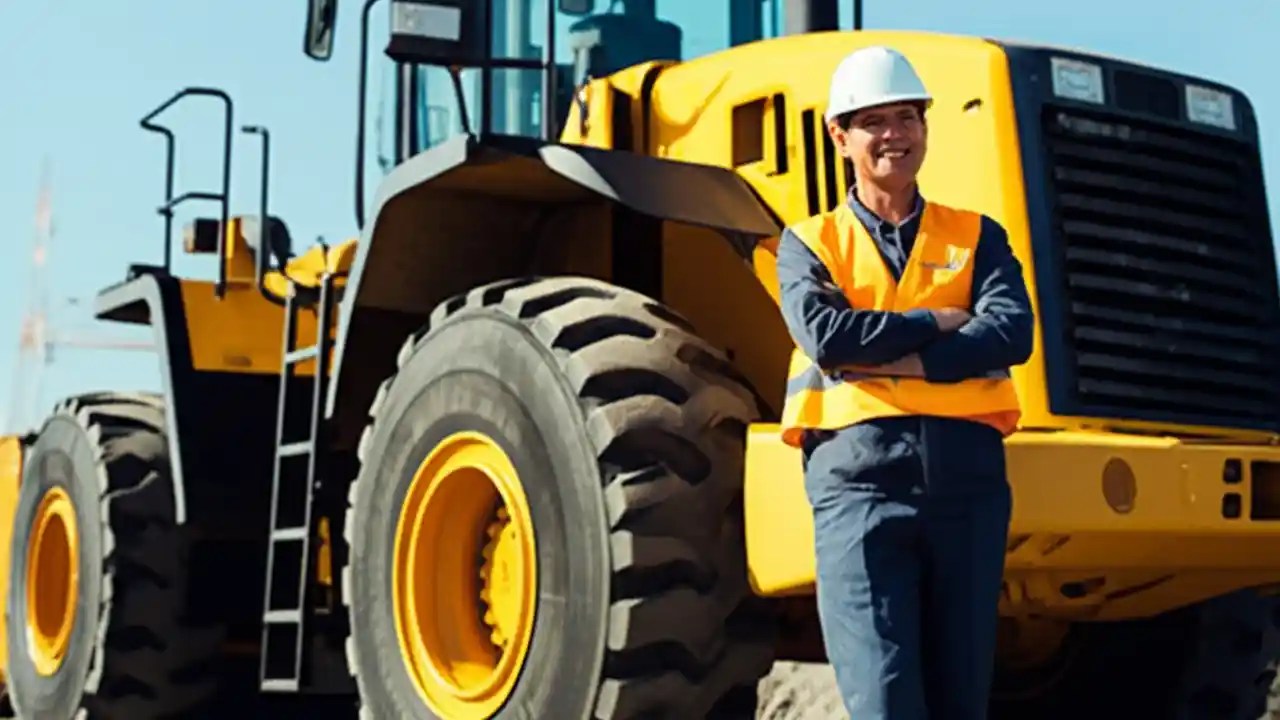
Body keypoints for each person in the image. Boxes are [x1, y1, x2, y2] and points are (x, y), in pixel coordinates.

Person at [774, 45, 1035, 719]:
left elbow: (1011, 334)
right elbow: (828, 338)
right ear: (840, 136)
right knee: (887, 701)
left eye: (906, 117)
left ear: (924, 126)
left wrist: (895, 358)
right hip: (859, 488)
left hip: (968, 487)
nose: (894, 134)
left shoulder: (980, 236)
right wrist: (939, 322)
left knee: (961, 702)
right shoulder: (809, 243)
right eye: (873, 122)